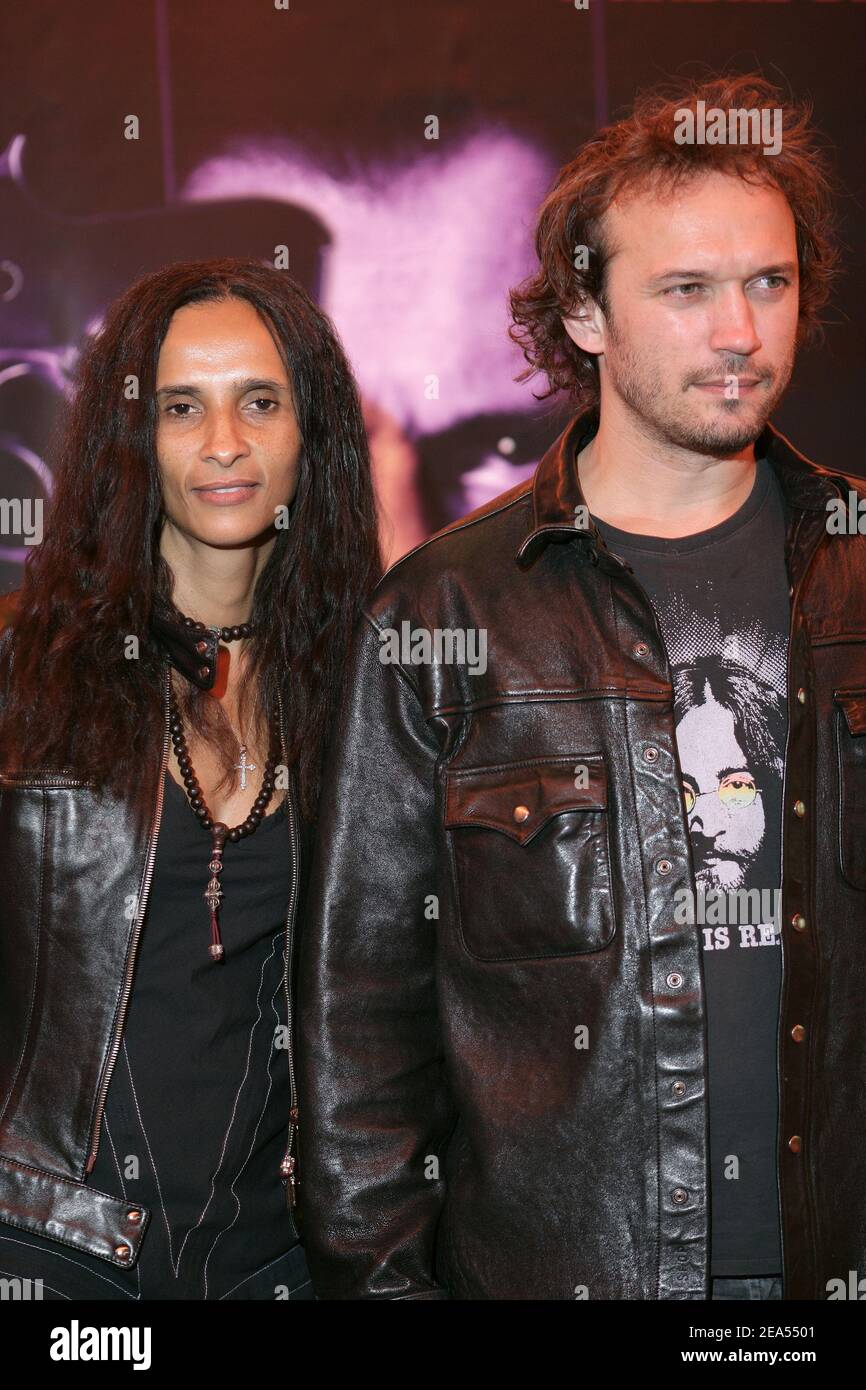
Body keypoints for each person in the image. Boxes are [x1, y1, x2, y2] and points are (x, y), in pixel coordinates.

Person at [295, 72, 866, 1300]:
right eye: (685, 290)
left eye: (767, 282)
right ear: (585, 314)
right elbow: (355, 1035)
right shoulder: (444, 614)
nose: (739, 332)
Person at [0, 257, 381, 1299]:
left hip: (277, 1263)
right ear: (134, 438)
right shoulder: (21, 685)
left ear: (314, 435)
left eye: (260, 401)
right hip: (49, 1252)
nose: (224, 444)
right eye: (181, 407)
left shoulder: (366, 697)